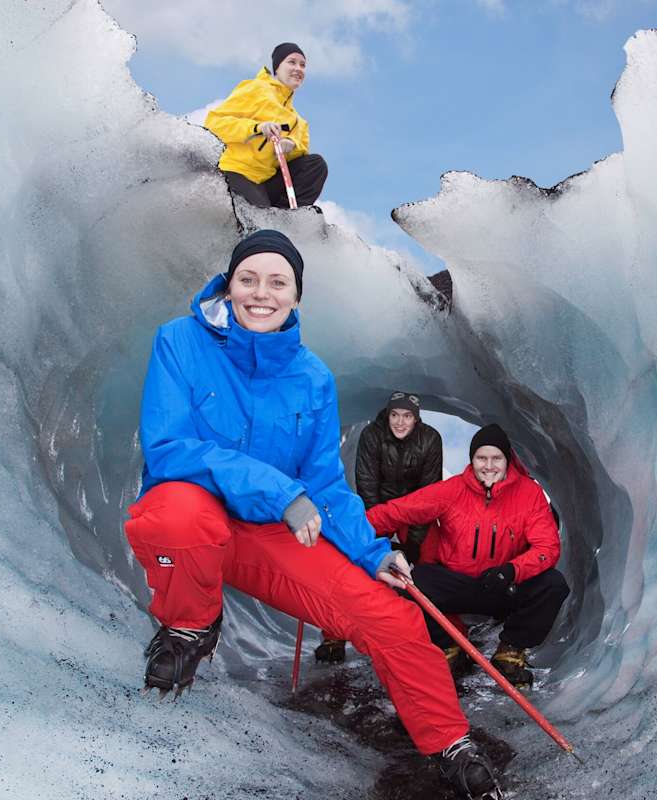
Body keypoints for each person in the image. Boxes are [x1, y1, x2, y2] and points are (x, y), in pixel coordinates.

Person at [123, 230, 500, 798]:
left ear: (296, 297)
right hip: (195, 515)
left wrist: (374, 553)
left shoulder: (313, 378)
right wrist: (280, 490)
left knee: (388, 615)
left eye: (278, 283)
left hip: (268, 536)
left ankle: (449, 743)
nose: (261, 293)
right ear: (229, 285)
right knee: (175, 516)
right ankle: (191, 626)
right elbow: (169, 449)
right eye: (247, 279)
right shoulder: (179, 342)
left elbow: (324, 483)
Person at [366, 424, 570, 688]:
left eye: (496, 458)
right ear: (472, 460)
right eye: (481, 458)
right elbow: (398, 511)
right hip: (458, 584)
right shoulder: (452, 490)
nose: (488, 465)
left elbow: (548, 548)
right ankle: (450, 648)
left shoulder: (528, 495)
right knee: (411, 582)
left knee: (553, 585)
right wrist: (352, 530)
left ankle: (510, 652)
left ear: (507, 460)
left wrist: (512, 570)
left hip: (503, 584)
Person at [314, 390, 443, 664]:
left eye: (407, 416)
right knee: (353, 560)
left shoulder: (430, 439)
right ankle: (335, 634)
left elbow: (429, 492)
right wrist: (376, 535)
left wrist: (414, 544)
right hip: (377, 509)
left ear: (416, 419)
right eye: (395, 415)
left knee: (430, 559)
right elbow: (367, 484)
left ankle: (439, 634)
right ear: (387, 415)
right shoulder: (372, 435)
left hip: (414, 511)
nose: (400, 422)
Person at [204, 43, 327, 209]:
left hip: (266, 181)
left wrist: (290, 144)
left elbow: (301, 152)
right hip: (238, 171)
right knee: (260, 220)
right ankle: (265, 224)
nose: (298, 68)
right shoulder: (257, 89)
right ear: (277, 68)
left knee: (316, 165)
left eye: (302, 65)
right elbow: (214, 123)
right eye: (291, 62)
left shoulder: (299, 121)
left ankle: (286, 218)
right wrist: (257, 128)